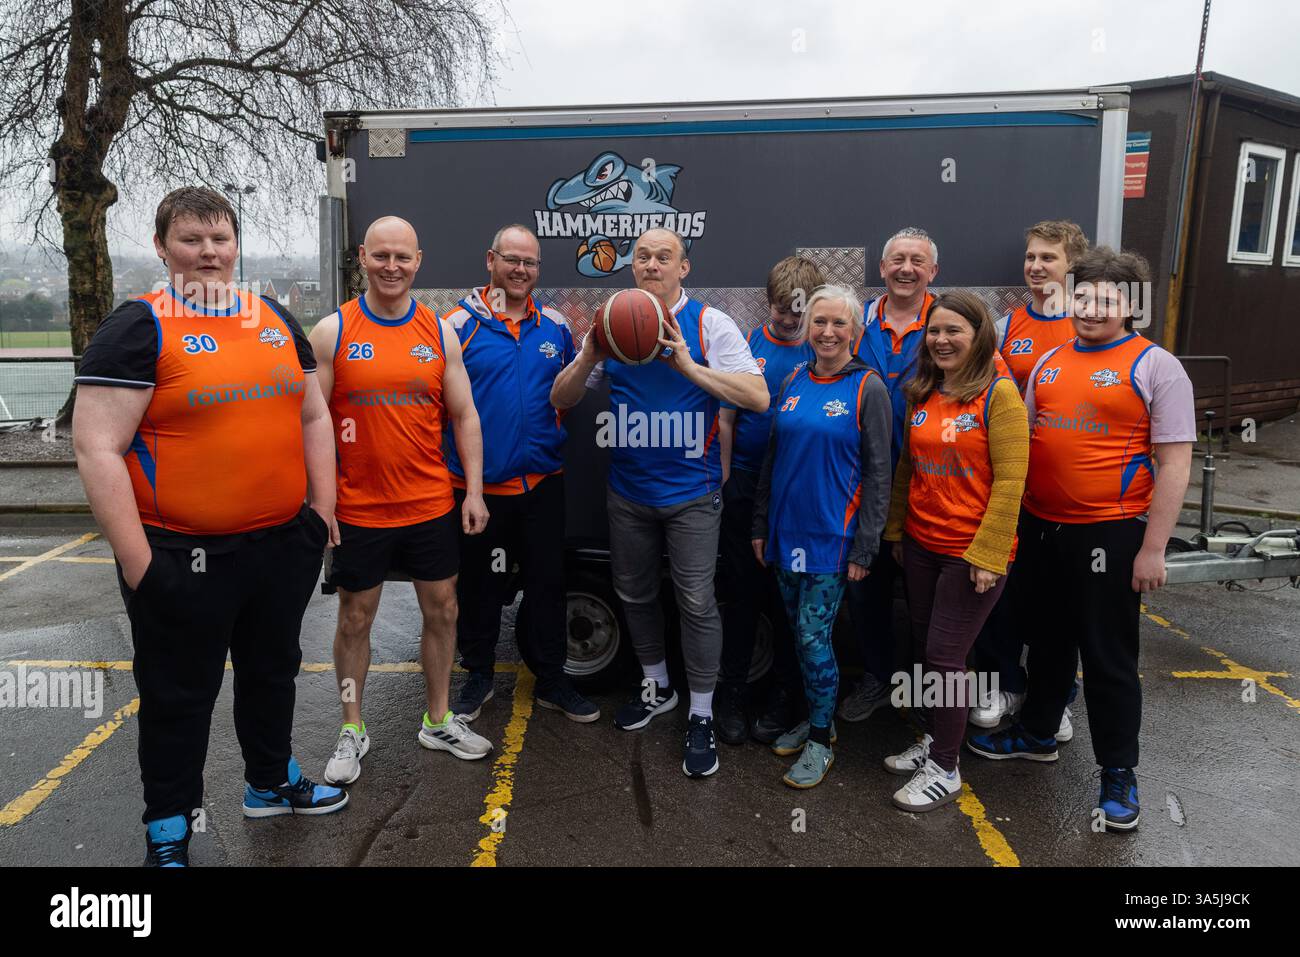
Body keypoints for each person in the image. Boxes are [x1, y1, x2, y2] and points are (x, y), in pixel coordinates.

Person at [73, 187, 346, 867]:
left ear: (236, 246)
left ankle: (270, 779)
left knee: (272, 672)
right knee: (177, 697)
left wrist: (321, 512)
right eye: (192, 239)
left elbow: (313, 417)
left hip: (280, 545)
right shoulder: (139, 327)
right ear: (163, 246)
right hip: (179, 554)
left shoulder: (274, 317)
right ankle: (168, 829)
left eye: (220, 239)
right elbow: (97, 448)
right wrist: (139, 563)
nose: (209, 252)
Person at [968, 248, 1195, 832]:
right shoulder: (1048, 361)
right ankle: (1039, 731)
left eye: (1106, 298)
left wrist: (1153, 549)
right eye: (1083, 296)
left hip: (1112, 532)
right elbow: (1026, 444)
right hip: (1042, 526)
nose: (1092, 308)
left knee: (1108, 657)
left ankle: (1119, 773)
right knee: (1048, 641)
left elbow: (1174, 464)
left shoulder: (1156, 367)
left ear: (1130, 305)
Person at [550, 227, 768, 777]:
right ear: (633, 266)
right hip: (628, 493)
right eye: (642, 256)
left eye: (663, 256)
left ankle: (700, 711)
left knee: (696, 602)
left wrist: (688, 367)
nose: (651, 264)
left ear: (683, 268)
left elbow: (758, 396)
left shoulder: (708, 324)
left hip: (693, 495)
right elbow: (561, 398)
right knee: (635, 594)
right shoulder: (613, 322)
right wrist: (589, 355)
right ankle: (657, 687)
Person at [310, 216, 492, 786]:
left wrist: (476, 491)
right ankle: (351, 726)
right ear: (363, 257)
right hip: (358, 508)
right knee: (355, 619)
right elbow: (310, 423)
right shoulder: (332, 332)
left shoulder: (440, 333)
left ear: (419, 261)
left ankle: (437, 720)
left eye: (403, 257)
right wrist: (321, 501)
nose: (392, 266)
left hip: (429, 503)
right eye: (381, 255)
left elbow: (464, 415)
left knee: (443, 610)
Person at [443, 225, 598, 723]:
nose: (521, 270)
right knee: (481, 588)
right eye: (512, 260)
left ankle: (553, 680)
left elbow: (568, 393)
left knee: (548, 584)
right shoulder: (457, 324)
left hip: (543, 486)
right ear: (491, 259)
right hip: (482, 491)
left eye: (530, 263)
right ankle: (479, 676)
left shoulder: (553, 326)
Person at [880, 291, 1029, 811]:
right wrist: (897, 531)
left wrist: (989, 555)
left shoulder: (999, 395)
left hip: (971, 553)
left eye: (954, 332)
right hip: (922, 545)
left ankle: (946, 767)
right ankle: (932, 740)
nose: (942, 340)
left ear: (979, 336)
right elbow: (906, 470)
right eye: (935, 331)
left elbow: (1012, 481)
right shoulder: (922, 391)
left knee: (946, 658)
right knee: (927, 650)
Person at [751, 284, 891, 787]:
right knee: (797, 637)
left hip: (833, 541)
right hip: (786, 535)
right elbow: (772, 460)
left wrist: (866, 544)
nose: (828, 332)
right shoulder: (792, 378)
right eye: (819, 322)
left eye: (839, 323)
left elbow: (879, 473)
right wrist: (761, 525)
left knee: (814, 640)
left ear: (855, 330)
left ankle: (819, 738)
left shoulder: (868, 388)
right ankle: (815, 722)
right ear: (808, 328)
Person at [970, 220, 1090, 732]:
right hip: (1008, 482)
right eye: (1031, 258)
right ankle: (1003, 684)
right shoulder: (1006, 322)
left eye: (1049, 258)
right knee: (1002, 589)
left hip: (1063, 489)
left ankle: (1054, 697)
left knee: (1055, 601)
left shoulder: (1087, 325)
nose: (1037, 267)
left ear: (1072, 266)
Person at [715, 256, 822, 746]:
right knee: (741, 596)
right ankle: (731, 695)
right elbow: (727, 420)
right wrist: (724, 480)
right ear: (769, 303)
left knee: (789, 604)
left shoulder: (826, 349)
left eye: (797, 311)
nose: (788, 319)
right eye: (782, 310)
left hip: (797, 495)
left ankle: (785, 697)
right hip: (744, 486)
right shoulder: (748, 343)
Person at [838, 227, 939, 724]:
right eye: (897, 259)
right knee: (866, 590)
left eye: (916, 261)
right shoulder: (857, 324)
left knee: (930, 605)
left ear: (932, 272)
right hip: (866, 485)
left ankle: (927, 700)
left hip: (931, 486)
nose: (906, 268)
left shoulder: (947, 323)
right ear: (881, 268)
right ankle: (878, 679)